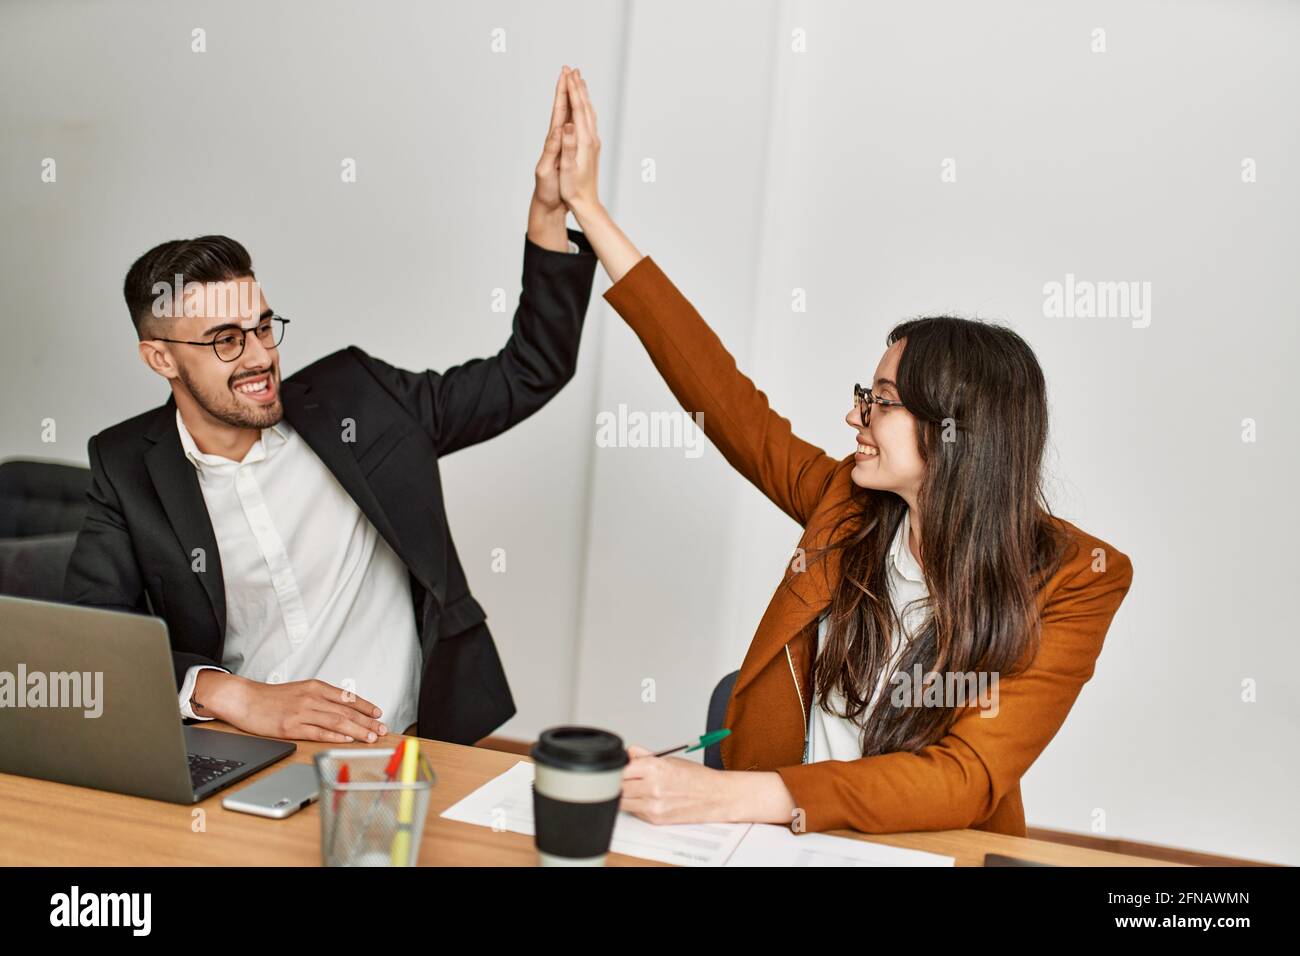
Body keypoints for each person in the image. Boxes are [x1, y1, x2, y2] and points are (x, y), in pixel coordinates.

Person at [553, 68, 1133, 836]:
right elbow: (721, 395)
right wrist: (588, 210)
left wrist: (730, 793)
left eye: (882, 402)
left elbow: (965, 780)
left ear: (958, 430)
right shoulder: (846, 503)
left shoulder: (1076, 580)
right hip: (772, 850)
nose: (856, 416)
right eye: (868, 394)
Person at [64, 69, 598, 747]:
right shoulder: (124, 464)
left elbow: (529, 372)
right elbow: (90, 645)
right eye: (226, 341)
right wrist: (232, 695)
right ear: (160, 358)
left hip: (409, 746)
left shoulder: (359, 400)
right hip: (242, 750)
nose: (259, 356)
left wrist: (550, 214)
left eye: (263, 326)